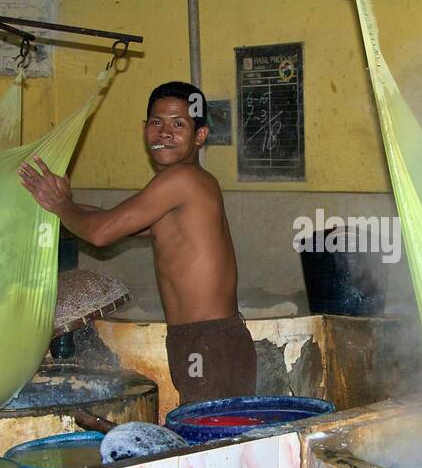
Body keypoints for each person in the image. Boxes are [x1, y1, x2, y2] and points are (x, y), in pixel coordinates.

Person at [19, 81, 256, 405]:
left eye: (178, 124)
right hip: (205, 339)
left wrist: (61, 205)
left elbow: (101, 233)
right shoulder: (184, 185)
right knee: (213, 440)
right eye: (157, 123)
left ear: (200, 136)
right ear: (144, 129)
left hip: (207, 340)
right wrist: (59, 204)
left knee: (209, 443)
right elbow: (116, 223)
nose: (165, 133)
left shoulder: (180, 180)